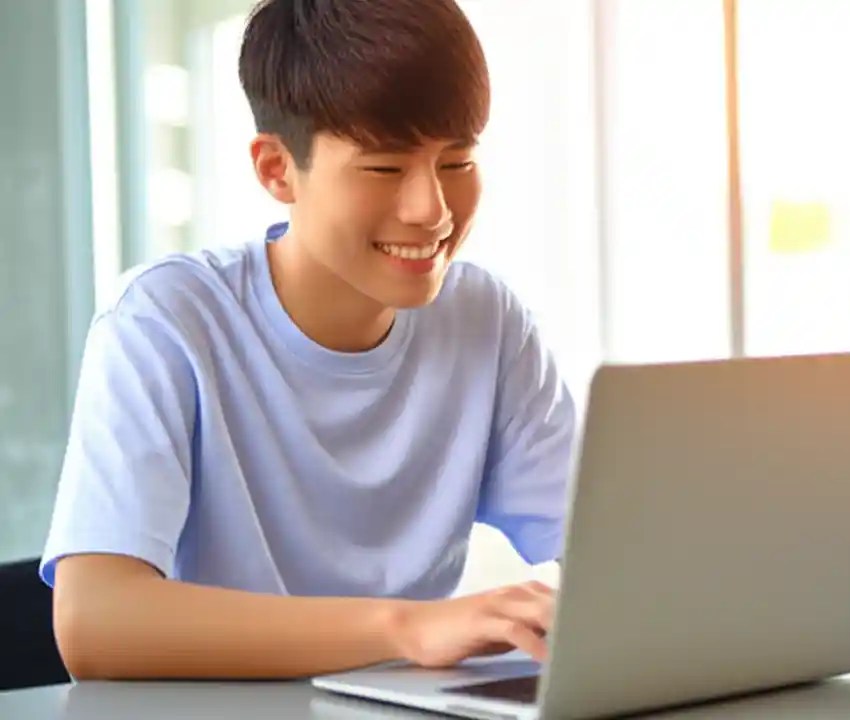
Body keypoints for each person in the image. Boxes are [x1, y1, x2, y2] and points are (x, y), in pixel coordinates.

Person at [39, 0, 575, 680]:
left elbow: (614, 553)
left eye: (457, 162)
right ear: (275, 170)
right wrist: (406, 627)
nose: (432, 211)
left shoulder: (486, 320)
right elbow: (95, 625)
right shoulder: (165, 320)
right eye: (385, 168)